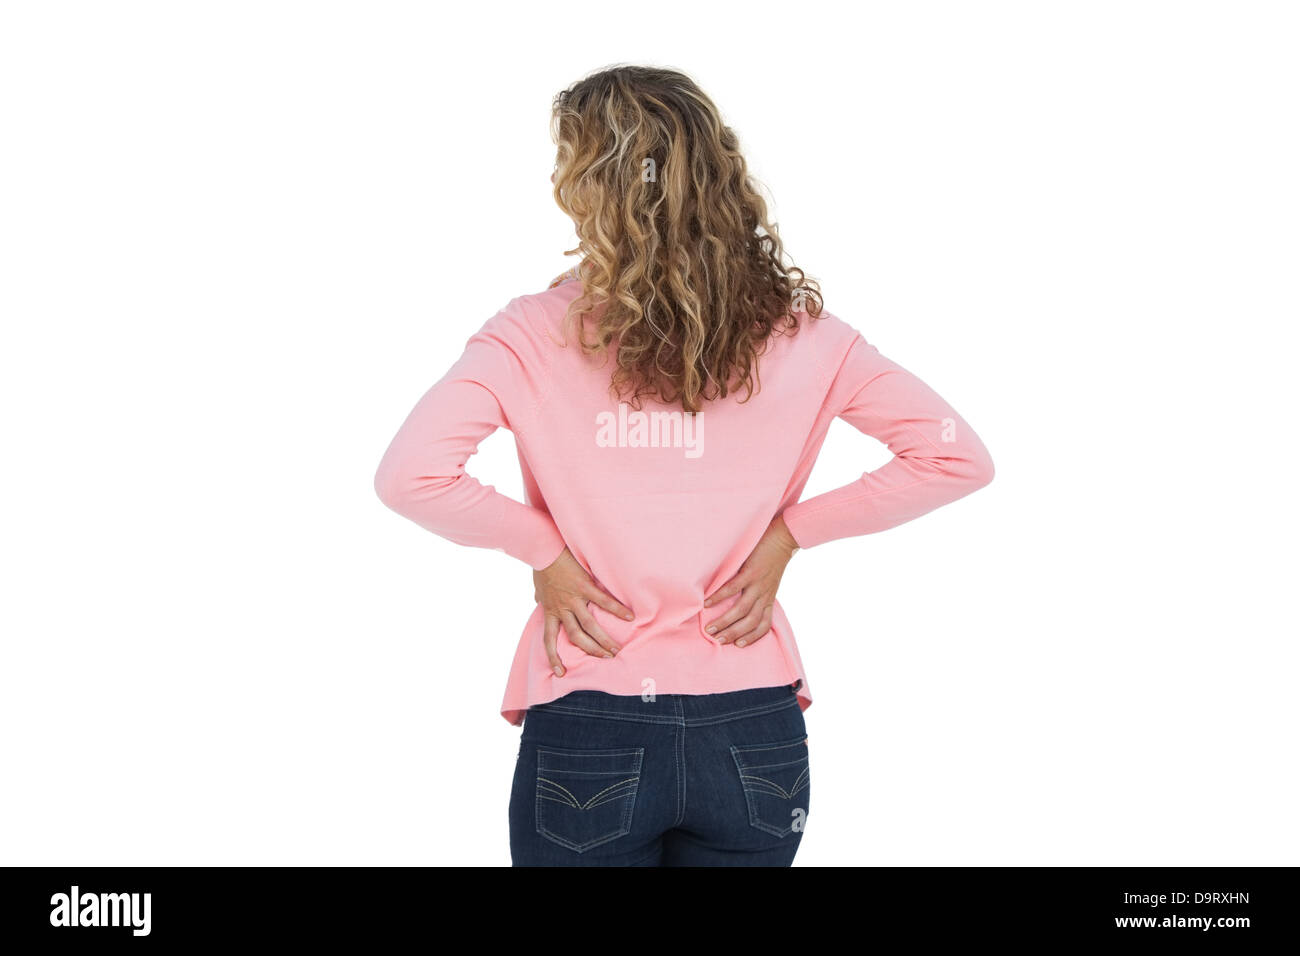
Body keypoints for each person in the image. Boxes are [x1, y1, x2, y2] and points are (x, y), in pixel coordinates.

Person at [373, 65, 995, 866]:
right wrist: (787, 537)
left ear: (592, 187)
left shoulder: (531, 334)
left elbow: (410, 476)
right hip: (753, 730)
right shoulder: (809, 336)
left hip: (591, 714)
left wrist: (545, 554)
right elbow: (953, 454)